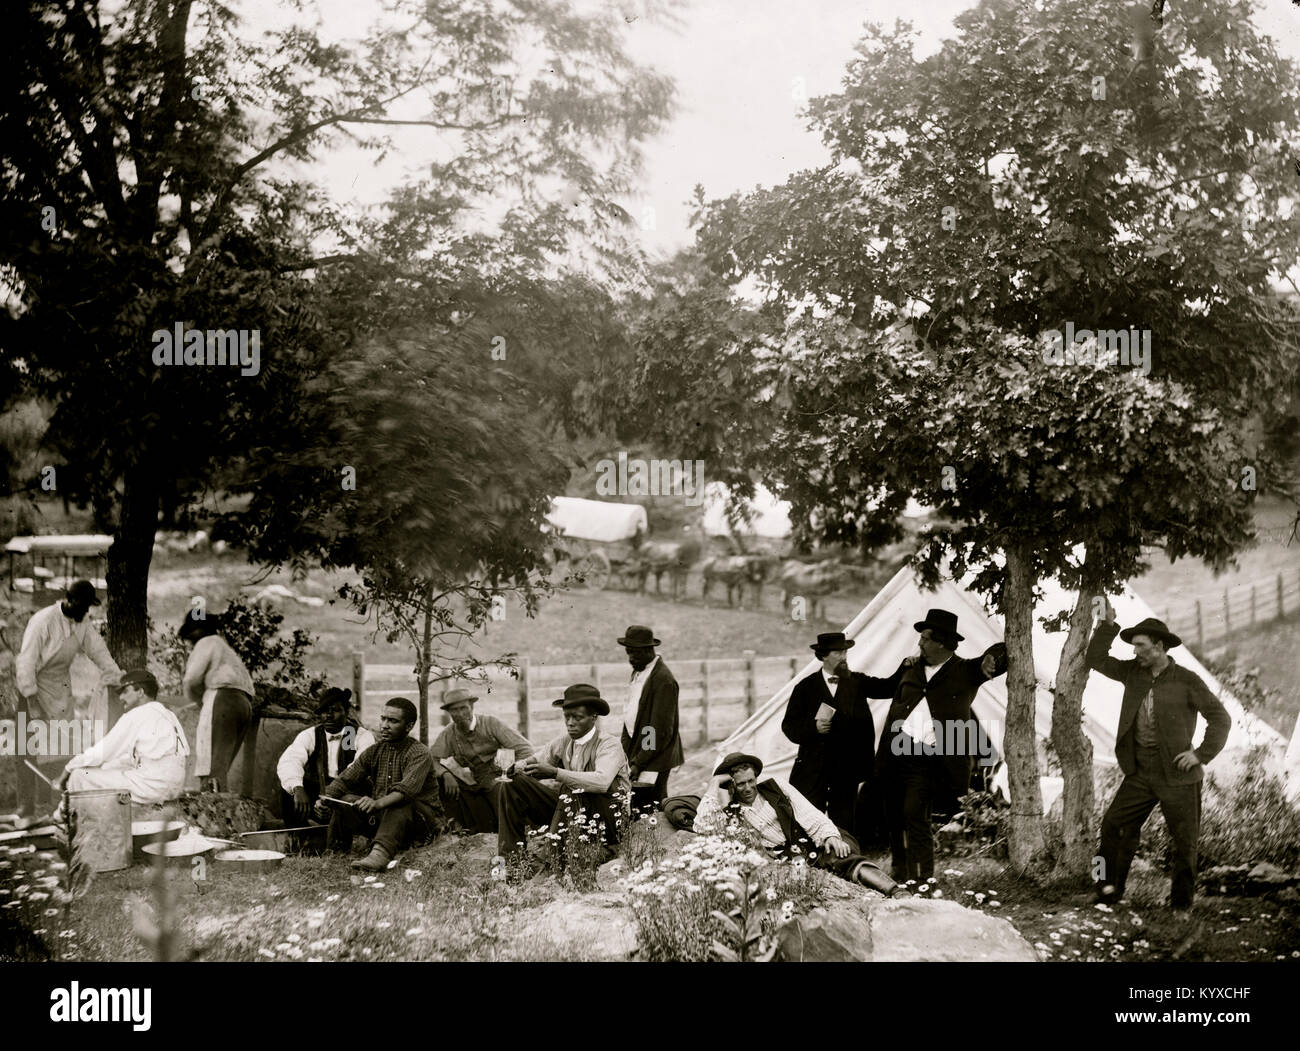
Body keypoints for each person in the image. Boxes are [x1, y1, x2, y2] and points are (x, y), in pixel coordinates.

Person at [1088, 603, 1230, 914]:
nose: (1135, 651)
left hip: (1179, 775)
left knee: (1184, 842)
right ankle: (1105, 891)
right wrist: (1108, 626)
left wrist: (1200, 755)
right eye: (1133, 645)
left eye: (1140, 645)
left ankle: (1180, 907)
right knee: (1112, 824)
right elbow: (1094, 658)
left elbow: (1221, 718)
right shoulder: (1132, 672)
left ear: (1159, 646)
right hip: (1140, 772)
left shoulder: (1187, 680)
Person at [858, 609, 1006, 883]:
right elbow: (885, 688)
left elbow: (1003, 651)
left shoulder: (965, 670)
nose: (920, 643)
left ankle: (923, 880)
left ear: (941, 642)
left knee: (915, 814)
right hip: (895, 754)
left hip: (927, 761)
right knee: (893, 815)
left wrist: (992, 659)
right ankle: (900, 871)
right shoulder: (910, 666)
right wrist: (850, 678)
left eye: (925, 638)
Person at [694, 752, 907, 897]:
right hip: (781, 862)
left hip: (807, 843)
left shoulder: (775, 788)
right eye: (741, 784)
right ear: (731, 785)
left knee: (840, 855)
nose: (749, 787)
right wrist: (714, 784)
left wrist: (828, 836)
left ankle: (896, 891)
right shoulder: (729, 812)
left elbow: (808, 812)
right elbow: (702, 826)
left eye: (751, 780)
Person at [14, 581, 122, 814]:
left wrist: (116, 675)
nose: (85, 612)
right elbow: (26, 661)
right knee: (27, 746)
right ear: (69, 600)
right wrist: (32, 700)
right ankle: (26, 806)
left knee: (60, 746)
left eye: (87, 608)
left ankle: (55, 804)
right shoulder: (43, 621)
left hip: (60, 687)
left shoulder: (82, 623)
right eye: (81, 606)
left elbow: (98, 651)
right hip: (32, 685)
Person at [497, 683, 630, 871]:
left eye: (577, 717)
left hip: (609, 818)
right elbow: (537, 758)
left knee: (570, 787)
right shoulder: (565, 741)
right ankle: (511, 862)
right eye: (567, 717)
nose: (570, 723)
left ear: (593, 718)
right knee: (512, 784)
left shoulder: (608, 744)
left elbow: (602, 782)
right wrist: (516, 766)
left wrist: (555, 773)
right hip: (575, 811)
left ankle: (550, 862)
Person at [314, 697, 440, 872]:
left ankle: (380, 854)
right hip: (386, 820)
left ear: (409, 726)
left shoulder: (419, 753)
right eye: (383, 719)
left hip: (420, 823)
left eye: (393, 721)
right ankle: (336, 850)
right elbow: (346, 779)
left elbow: (406, 791)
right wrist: (326, 798)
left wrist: (377, 803)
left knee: (400, 802)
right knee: (346, 799)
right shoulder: (375, 751)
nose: (385, 725)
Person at [781, 631, 876, 834]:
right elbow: (789, 726)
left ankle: (846, 862)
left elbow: (887, 687)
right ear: (824, 655)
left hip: (845, 771)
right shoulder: (804, 687)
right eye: (838, 653)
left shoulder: (857, 682)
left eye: (845, 652)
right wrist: (813, 728)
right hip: (812, 771)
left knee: (844, 824)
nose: (844, 657)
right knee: (807, 823)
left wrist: (908, 665)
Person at [55, 668, 189, 804]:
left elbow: (101, 753)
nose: (121, 697)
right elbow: (141, 757)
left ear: (140, 692)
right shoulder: (168, 715)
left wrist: (68, 769)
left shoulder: (137, 715)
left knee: (80, 775)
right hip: (173, 787)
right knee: (108, 767)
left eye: (125, 692)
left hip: (152, 787)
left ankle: (63, 818)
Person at [428, 686, 534, 834]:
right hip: (475, 784)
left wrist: (514, 771)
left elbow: (525, 749)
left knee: (507, 805)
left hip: (503, 777)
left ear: (472, 706)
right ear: (449, 713)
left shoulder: (490, 723)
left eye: (463, 708)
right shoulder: (449, 733)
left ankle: (524, 831)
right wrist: (446, 775)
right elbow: (431, 760)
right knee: (440, 786)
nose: (460, 714)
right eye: (454, 710)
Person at [275, 687, 375, 824]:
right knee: (290, 789)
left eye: (335, 710)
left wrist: (329, 799)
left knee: (352, 796)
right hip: (319, 794)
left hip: (347, 793)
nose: (328, 715)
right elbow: (290, 760)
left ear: (346, 712)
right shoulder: (311, 734)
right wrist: (298, 788)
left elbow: (356, 770)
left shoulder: (358, 735)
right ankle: (300, 837)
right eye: (324, 711)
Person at [179, 612, 255, 792]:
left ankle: (214, 811)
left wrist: (197, 700)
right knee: (221, 766)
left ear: (197, 631)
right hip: (244, 702)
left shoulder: (207, 642)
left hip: (223, 699)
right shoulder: (225, 648)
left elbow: (191, 679)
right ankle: (221, 808)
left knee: (211, 769)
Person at [617, 625, 683, 808]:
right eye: (628, 652)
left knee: (649, 805)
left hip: (655, 754)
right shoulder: (639, 672)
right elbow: (630, 713)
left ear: (649, 650)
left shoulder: (663, 680)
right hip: (638, 749)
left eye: (635, 653)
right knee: (636, 803)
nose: (631, 658)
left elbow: (657, 729)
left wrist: (640, 762)